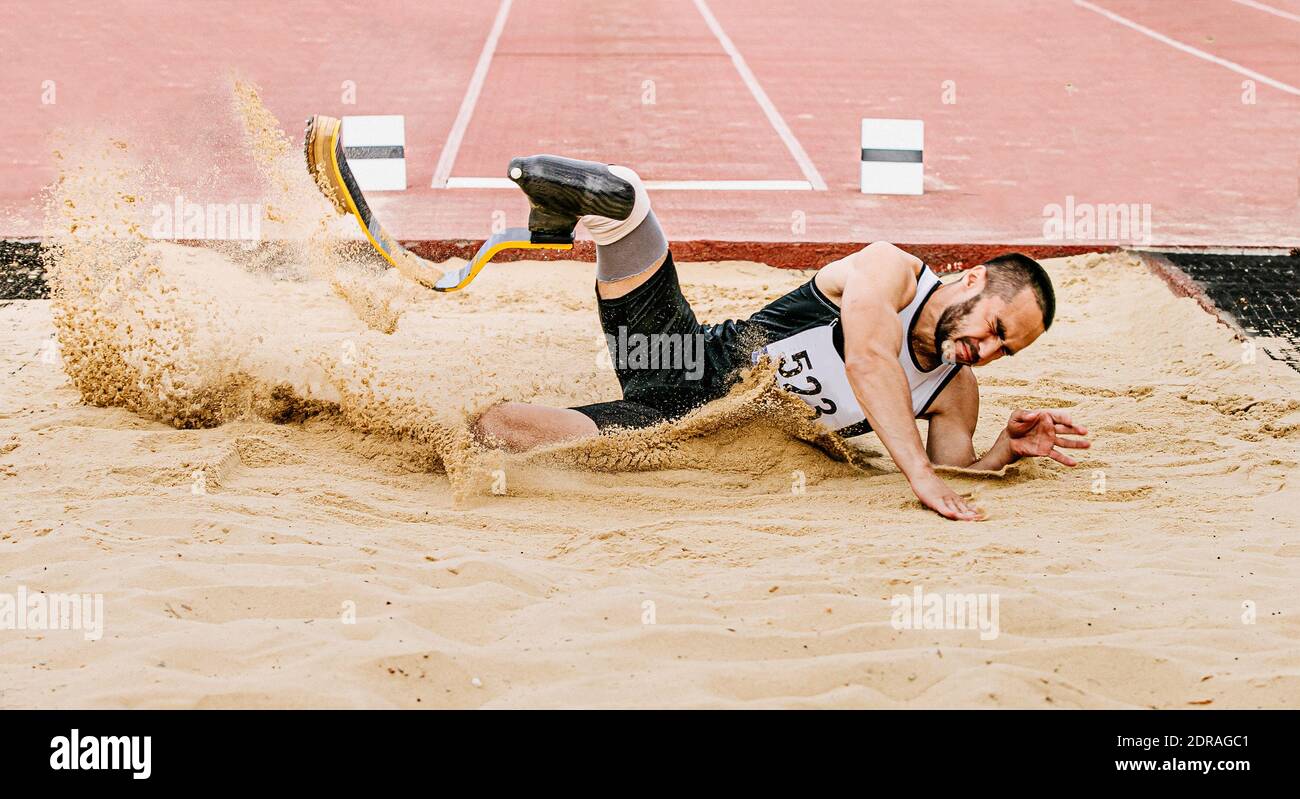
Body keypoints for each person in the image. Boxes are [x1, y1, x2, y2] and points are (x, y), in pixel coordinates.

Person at [471, 155, 1090, 521]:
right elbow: (870, 361)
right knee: (631, 236)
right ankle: (617, 207)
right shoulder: (890, 270)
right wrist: (920, 482)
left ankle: (444, 430)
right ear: (973, 279)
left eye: (1006, 351)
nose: (986, 351)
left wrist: (1005, 452)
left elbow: (951, 471)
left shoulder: (954, 391)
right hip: (689, 363)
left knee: (501, 430)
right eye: (996, 329)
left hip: (683, 435)